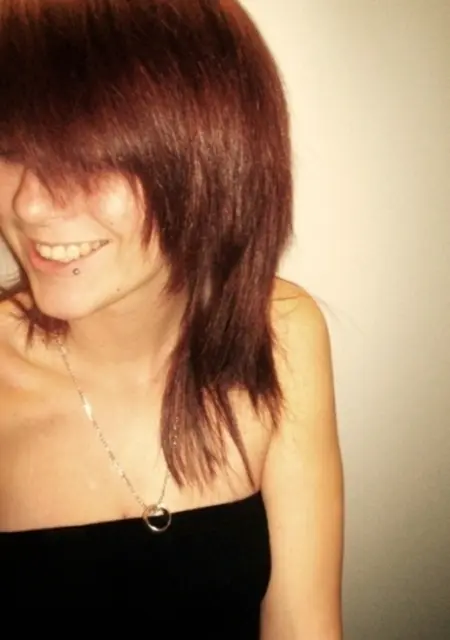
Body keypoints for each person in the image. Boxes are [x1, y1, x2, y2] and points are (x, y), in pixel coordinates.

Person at [0, 0, 343, 634]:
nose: (30, 205)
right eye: (11, 148)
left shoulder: (280, 333)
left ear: (209, 160)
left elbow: (304, 625)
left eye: (92, 158)